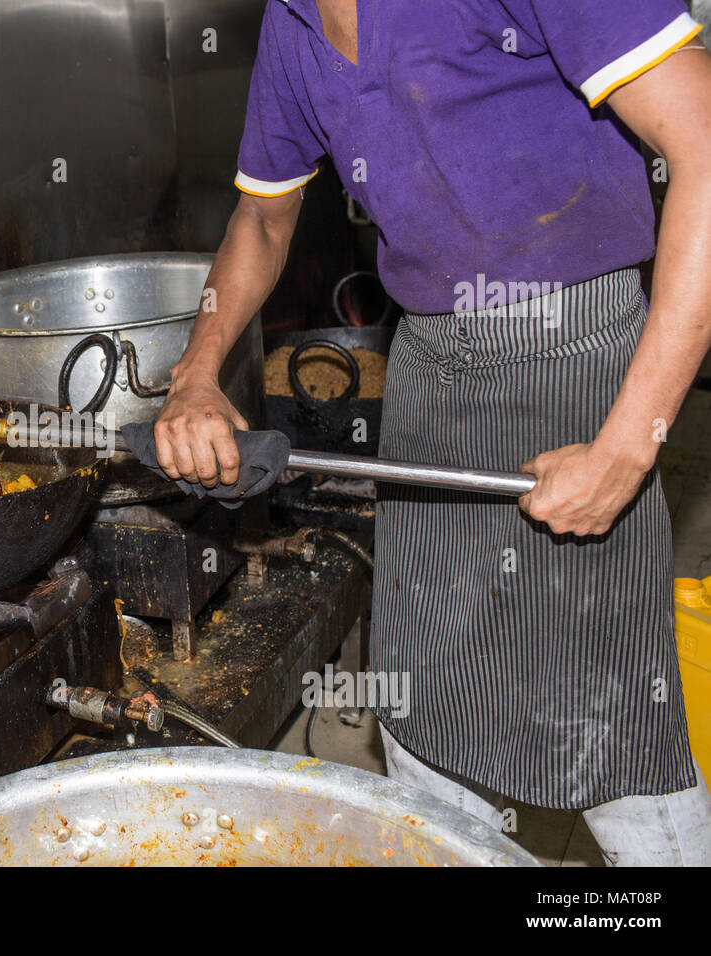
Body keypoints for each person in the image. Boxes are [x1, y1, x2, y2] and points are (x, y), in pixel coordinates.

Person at [154, 0, 711, 864]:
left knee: (605, 722)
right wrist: (194, 373)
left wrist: (630, 443)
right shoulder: (292, 25)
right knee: (422, 701)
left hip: (576, 354)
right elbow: (262, 217)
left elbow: (706, 149)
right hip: (425, 365)